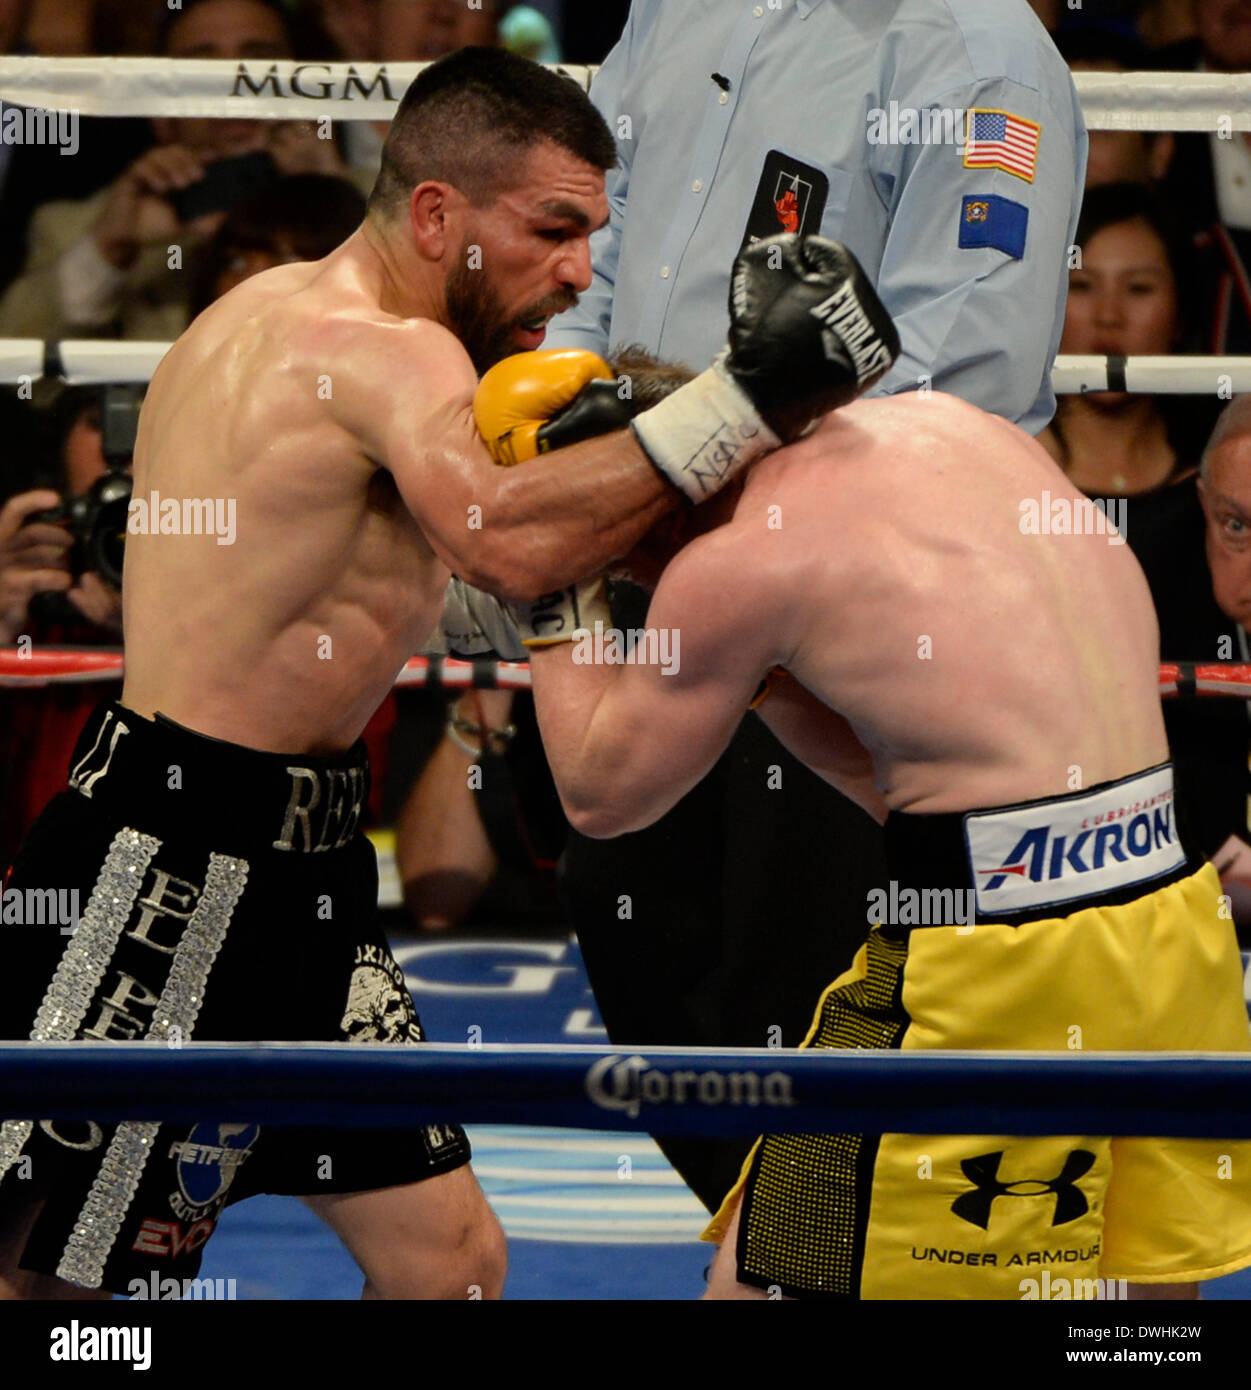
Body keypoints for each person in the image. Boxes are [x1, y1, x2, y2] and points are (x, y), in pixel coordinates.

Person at [0, 48, 885, 1301]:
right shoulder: (388, 354)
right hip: (178, 864)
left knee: (452, 1265)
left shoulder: (262, 317)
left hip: (297, 862)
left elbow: (421, 575)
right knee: (61, 1298)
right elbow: (504, 536)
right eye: (552, 227)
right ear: (435, 215)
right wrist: (744, 398)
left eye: (592, 232)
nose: (580, 269)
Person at [513, 339, 1251, 1301]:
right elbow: (901, 767)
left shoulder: (741, 562)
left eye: (615, 550)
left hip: (999, 959)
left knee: (761, 1280)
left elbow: (600, 797)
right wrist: (766, 686)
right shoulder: (954, 428)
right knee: (1133, 1277)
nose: (637, 585)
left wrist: (548, 592)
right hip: (1173, 919)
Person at [544, 0, 1089, 1214]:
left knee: (807, 959)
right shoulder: (677, 13)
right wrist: (564, 445)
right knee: (634, 917)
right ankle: (769, 1248)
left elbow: (968, 371)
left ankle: (808, 1258)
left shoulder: (978, 47)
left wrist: (708, 455)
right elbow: (585, 250)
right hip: (656, 549)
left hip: (859, 602)